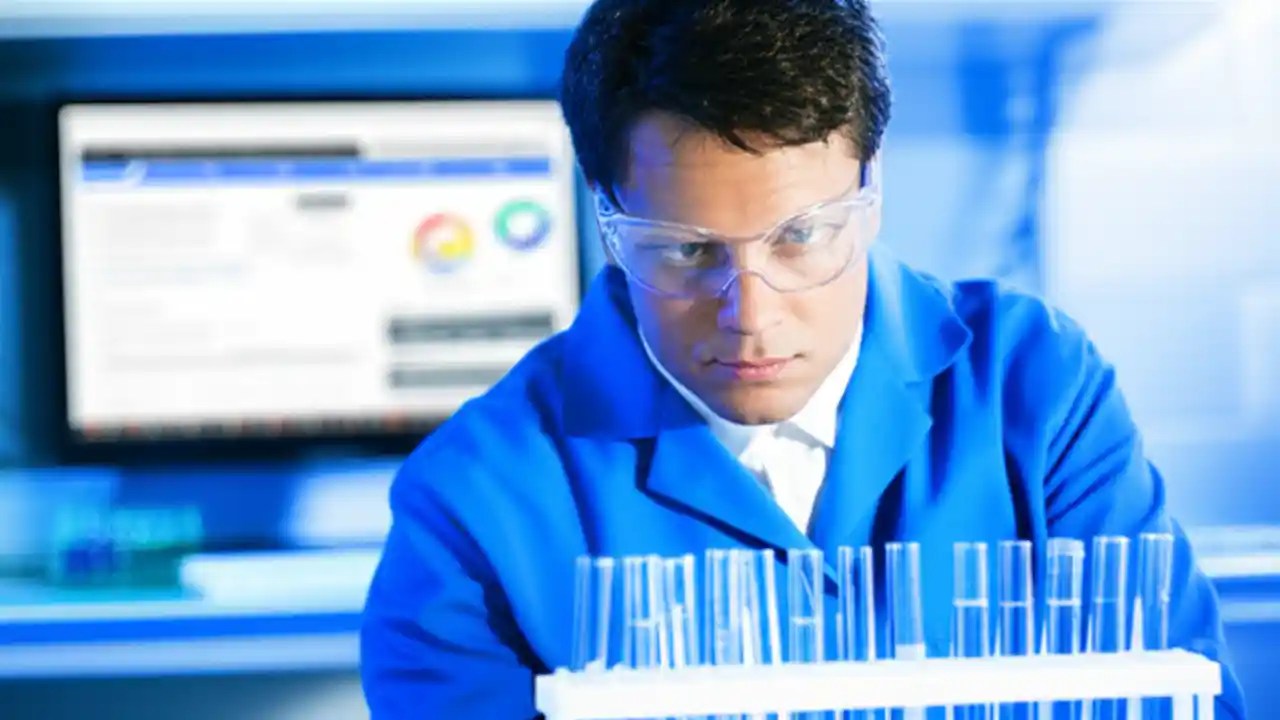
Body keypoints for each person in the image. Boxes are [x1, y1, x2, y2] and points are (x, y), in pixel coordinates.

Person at [360, 1, 1246, 717]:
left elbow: (1177, 695)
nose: (751, 315)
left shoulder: (1035, 391)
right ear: (605, 217)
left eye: (802, 236)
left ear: (871, 190)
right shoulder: (475, 498)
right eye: (684, 250)